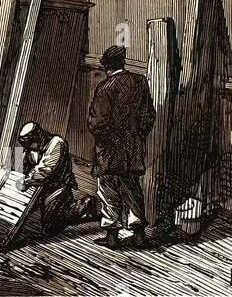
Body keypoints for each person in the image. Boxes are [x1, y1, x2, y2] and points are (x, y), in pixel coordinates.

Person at [88, 44, 155, 249]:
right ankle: (139, 235)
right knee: (132, 189)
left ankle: (112, 236)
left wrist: (101, 135)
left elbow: (98, 123)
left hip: (109, 149)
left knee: (108, 191)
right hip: (132, 147)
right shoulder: (140, 82)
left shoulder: (105, 88)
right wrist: (137, 135)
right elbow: (149, 115)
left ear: (107, 66)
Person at [18, 121, 94, 235]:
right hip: (42, 188)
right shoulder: (31, 150)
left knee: (50, 227)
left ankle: (83, 205)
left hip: (59, 187)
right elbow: (27, 168)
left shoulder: (56, 143)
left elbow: (46, 169)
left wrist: (27, 181)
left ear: (37, 137)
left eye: (30, 143)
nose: (29, 147)